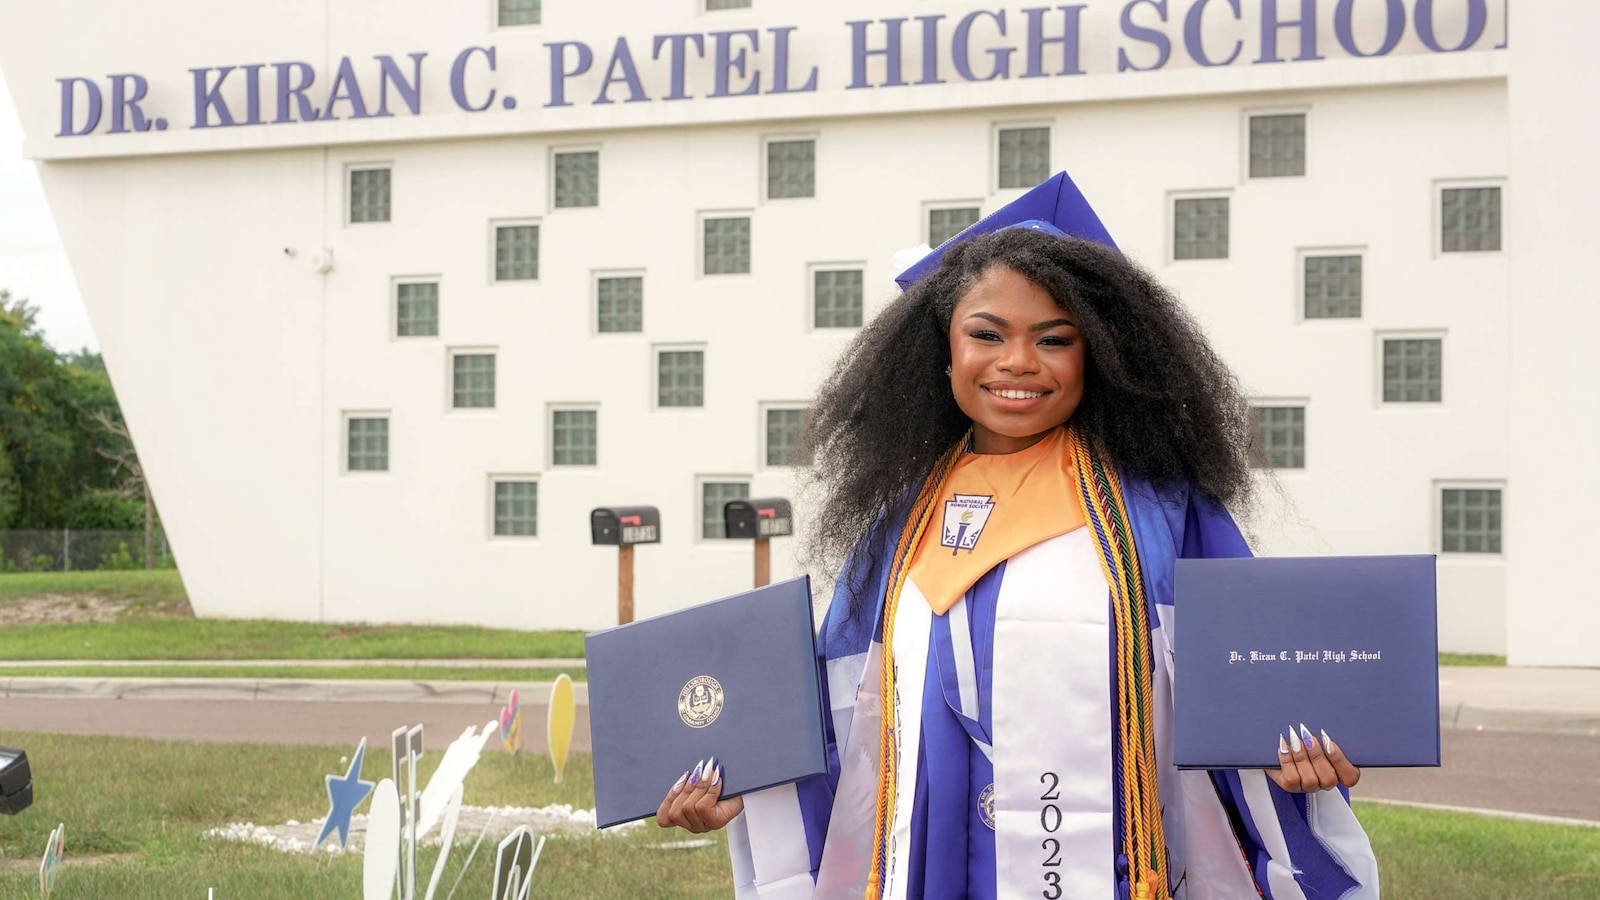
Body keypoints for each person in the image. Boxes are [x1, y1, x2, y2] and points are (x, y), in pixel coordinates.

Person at [657, 173, 1379, 900]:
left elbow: (1246, 688)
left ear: (1097, 356)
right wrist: (742, 783)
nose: (1017, 363)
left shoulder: (1158, 515)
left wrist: (1296, 759)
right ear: (942, 351)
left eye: (1054, 339)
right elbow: (836, 717)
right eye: (987, 334)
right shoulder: (901, 524)